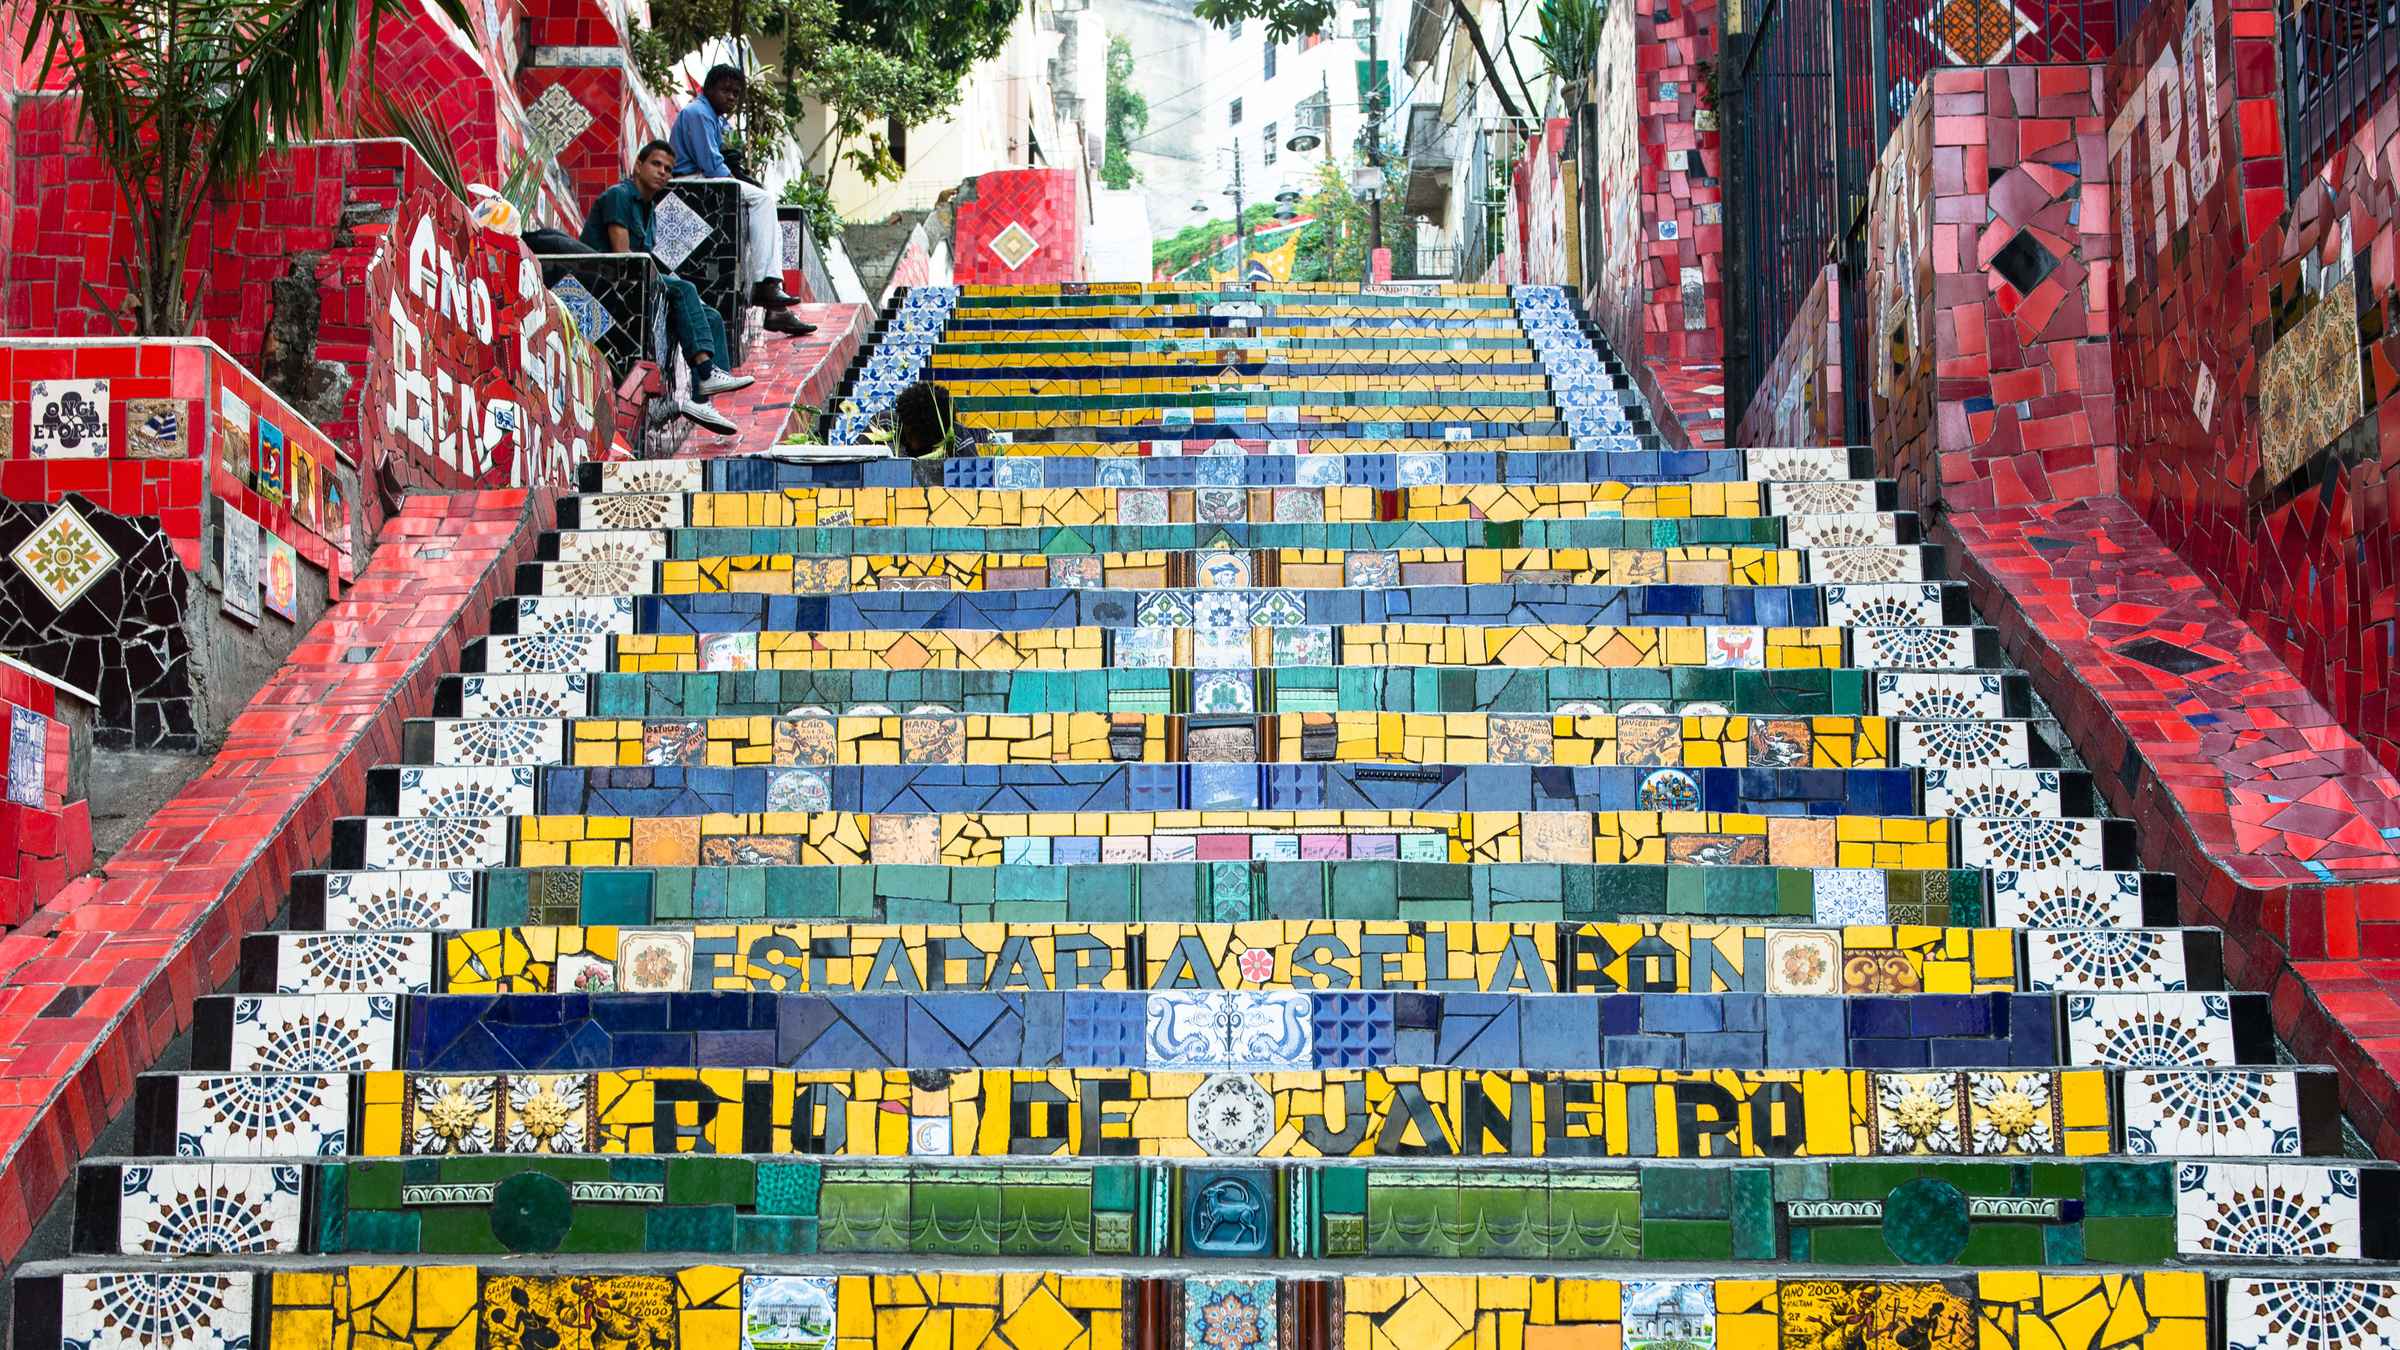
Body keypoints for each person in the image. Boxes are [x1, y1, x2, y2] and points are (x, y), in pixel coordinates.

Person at [583, 141, 755, 435]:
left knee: (709, 314)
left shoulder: (649, 208)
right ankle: (704, 371)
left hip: (634, 286)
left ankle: (704, 397)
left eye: (668, 169)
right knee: (683, 289)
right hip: (603, 288)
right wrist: (671, 288)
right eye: (656, 164)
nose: (662, 173)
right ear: (638, 165)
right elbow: (625, 261)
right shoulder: (619, 197)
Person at [673, 64, 817, 338]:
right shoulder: (698, 113)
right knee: (763, 201)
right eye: (725, 90)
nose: (731, 98)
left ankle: (775, 307)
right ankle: (770, 286)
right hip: (692, 183)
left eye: (736, 93)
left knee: (760, 205)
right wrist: (745, 183)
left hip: (703, 181)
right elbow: (713, 166)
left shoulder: (710, 116)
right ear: (709, 89)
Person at [890, 380, 963, 459]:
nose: (914, 445)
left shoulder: (958, 442)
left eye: (922, 438)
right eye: (909, 434)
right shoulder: (887, 424)